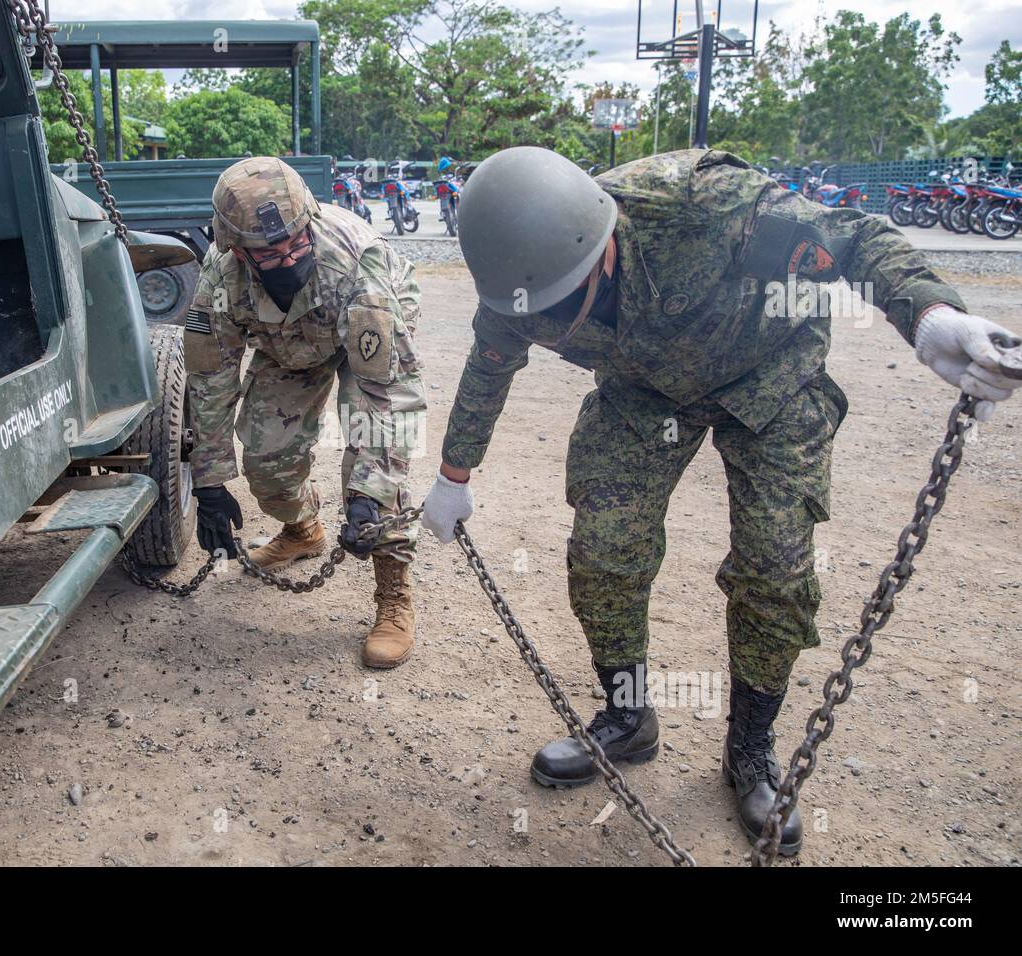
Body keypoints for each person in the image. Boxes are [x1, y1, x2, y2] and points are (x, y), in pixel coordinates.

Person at [420, 146, 1018, 853]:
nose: (546, 322)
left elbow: (855, 237)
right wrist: (453, 478)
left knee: (775, 570)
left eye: (561, 305)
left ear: (603, 249)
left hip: (768, 376)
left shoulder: (709, 208)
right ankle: (627, 715)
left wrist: (932, 314)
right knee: (605, 548)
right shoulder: (517, 284)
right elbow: (489, 368)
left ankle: (751, 749)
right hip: (644, 396)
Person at [185, 156, 427, 668]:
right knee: (267, 465)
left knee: (373, 479)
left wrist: (368, 491)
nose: (291, 255)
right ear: (238, 251)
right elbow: (211, 379)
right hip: (289, 346)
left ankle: (394, 596)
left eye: (297, 241)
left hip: (368, 344)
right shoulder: (220, 280)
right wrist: (207, 481)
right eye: (271, 252)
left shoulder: (356, 266)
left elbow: (391, 393)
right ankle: (302, 530)